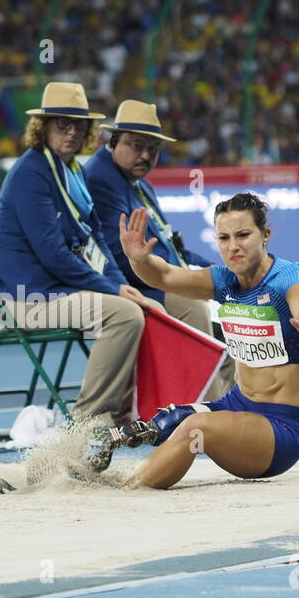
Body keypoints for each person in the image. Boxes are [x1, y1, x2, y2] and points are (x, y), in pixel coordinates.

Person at [111, 192, 299, 489]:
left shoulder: (289, 277)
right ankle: (108, 466)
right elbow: (164, 276)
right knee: (170, 419)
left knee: (194, 428)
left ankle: (127, 493)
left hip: (280, 430)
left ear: (265, 234)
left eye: (243, 235)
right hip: (236, 405)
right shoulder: (223, 281)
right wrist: (137, 259)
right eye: (224, 238)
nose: (233, 247)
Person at [0, 81, 160, 446]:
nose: (71, 133)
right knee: (124, 314)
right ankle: (84, 424)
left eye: (78, 126)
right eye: (61, 124)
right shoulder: (30, 173)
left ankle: (120, 416)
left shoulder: (73, 172)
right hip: (26, 299)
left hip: (58, 290)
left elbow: (97, 239)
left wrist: (121, 284)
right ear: (43, 127)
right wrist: (113, 289)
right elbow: (54, 253)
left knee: (137, 307)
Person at [84, 99, 234, 400]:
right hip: (127, 286)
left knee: (231, 304)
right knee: (191, 305)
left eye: (152, 148)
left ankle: (234, 404)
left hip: (154, 277)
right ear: (113, 142)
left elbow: (171, 245)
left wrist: (220, 274)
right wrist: (177, 278)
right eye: (136, 145)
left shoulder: (137, 182)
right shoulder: (100, 180)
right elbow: (121, 257)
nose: (145, 155)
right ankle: (212, 412)